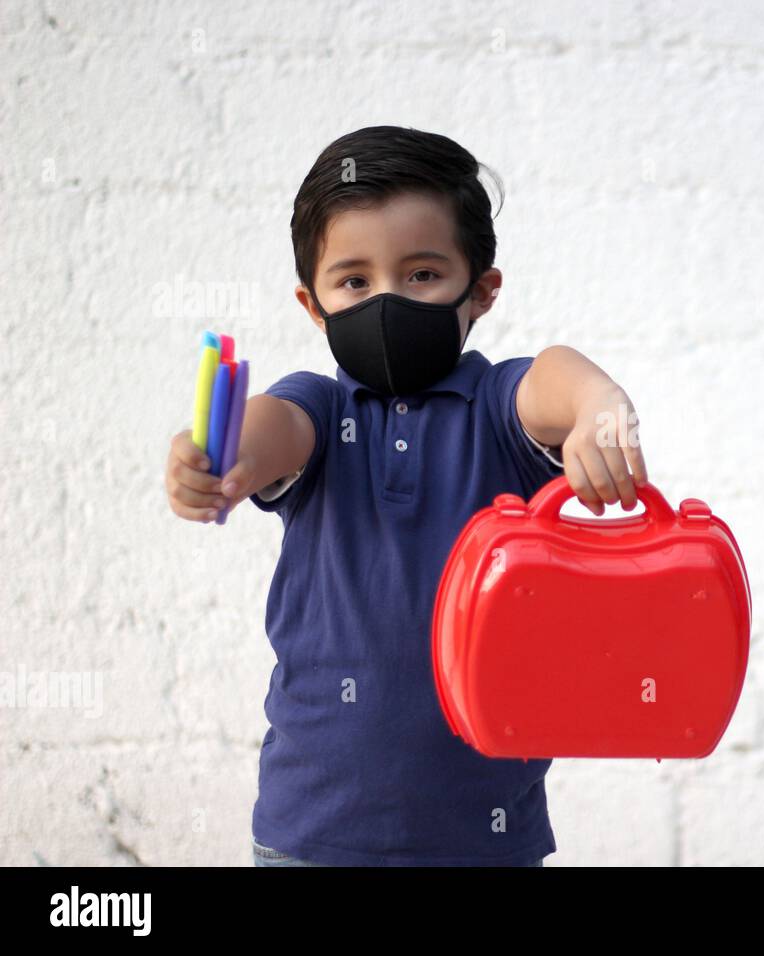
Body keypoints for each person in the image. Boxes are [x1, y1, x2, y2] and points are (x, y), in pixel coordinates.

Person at [163, 126, 647, 866]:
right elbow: (268, 431)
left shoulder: (496, 406)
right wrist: (216, 456)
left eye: (422, 274)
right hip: (309, 836)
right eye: (354, 281)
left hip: (485, 841)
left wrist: (598, 404)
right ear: (313, 306)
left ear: (482, 291)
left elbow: (554, 377)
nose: (386, 301)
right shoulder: (319, 412)